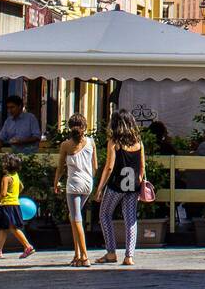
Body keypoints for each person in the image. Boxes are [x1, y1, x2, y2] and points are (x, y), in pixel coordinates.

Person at [94, 111, 145, 266]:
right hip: (133, 185)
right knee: (130, 219)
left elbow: (109, 167)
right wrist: (140, 183)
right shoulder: (138, 142)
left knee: (104, 214)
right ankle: (129, 256)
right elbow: (142, 166)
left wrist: (100, 188)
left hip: (117, 184)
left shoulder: (114, 142)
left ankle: (111, 252)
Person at [54, 114, 97, 267]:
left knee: (76, 218)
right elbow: (95, 167)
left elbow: (60, 167)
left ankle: (84, 256)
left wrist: (56, 182)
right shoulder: (91, 143)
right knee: (74, 217)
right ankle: (77, 255)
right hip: (87, 184)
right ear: (84, 127)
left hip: (73, 184)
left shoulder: (65, 145)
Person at [0, 154, 36, 259]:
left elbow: (3, 193)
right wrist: (15, 195)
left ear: (6, 166)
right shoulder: (16, 176)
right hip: (15, 204)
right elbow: (21, 186)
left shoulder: (6, 177)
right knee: (3, 228)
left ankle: (28, 246)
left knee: (12, 227)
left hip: (6, 205)